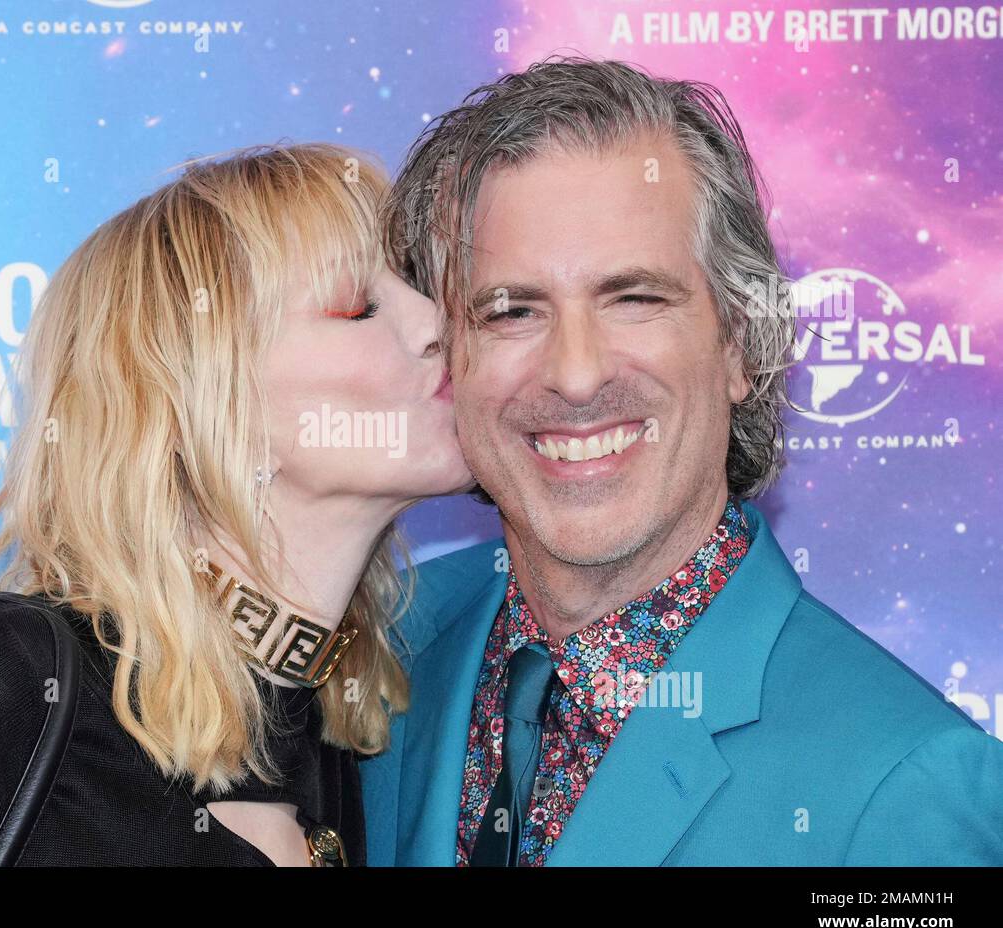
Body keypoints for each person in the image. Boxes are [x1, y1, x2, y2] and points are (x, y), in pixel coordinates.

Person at [358, 56, 1003, 866]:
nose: (577, 372)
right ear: (446, 356)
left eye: (634, 298)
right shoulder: (374, 652)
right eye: (511, 310)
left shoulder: (909, 787)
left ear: (737, 342)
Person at [0, 143, 472, 867]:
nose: (436, 322)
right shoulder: (2, 671)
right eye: (356, 306)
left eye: (416, 283)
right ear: (201, 399)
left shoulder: (342, 731)